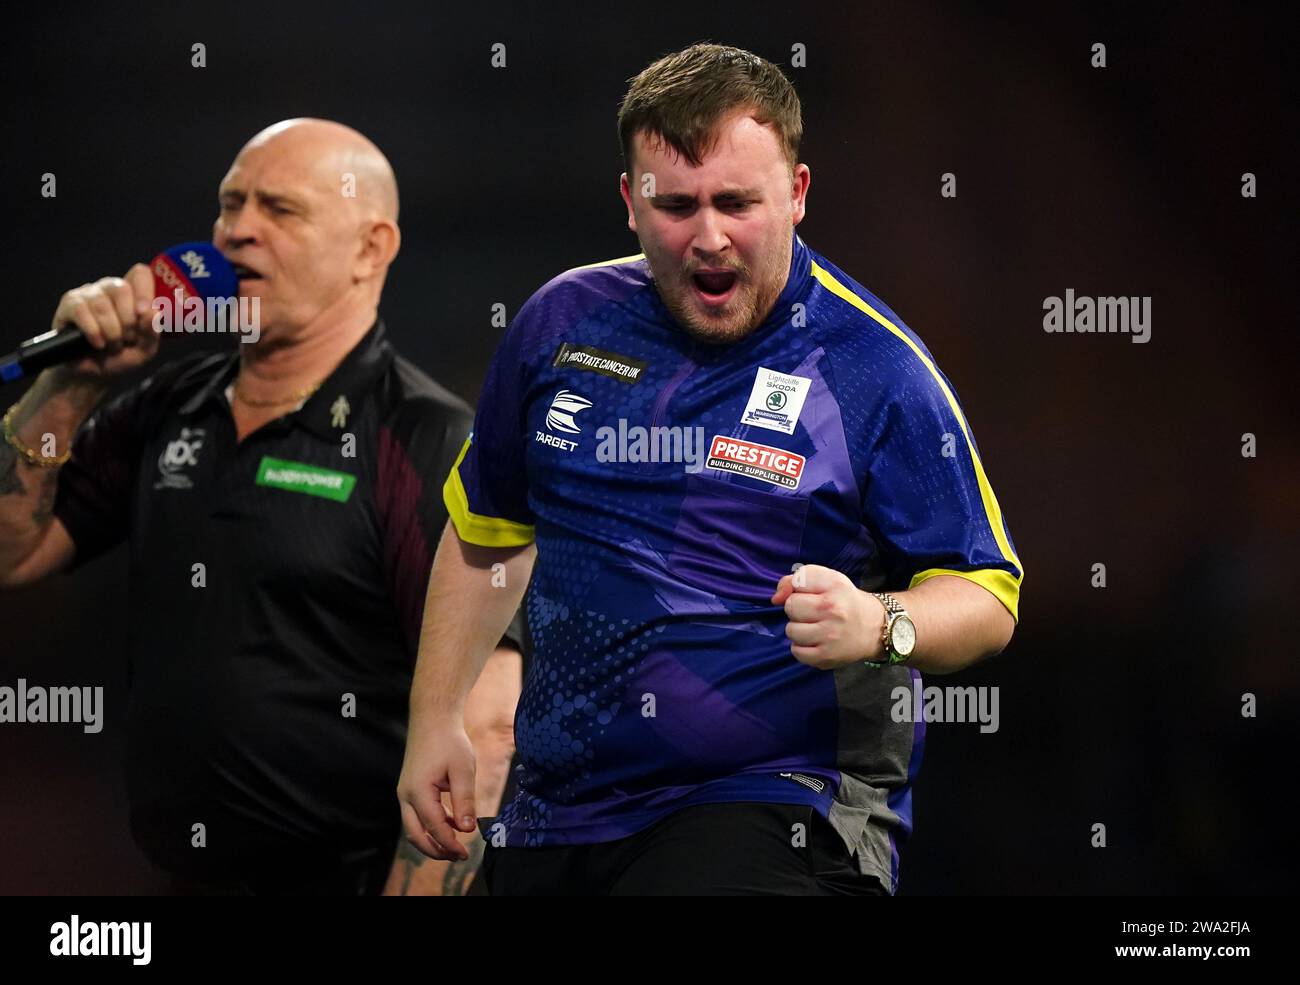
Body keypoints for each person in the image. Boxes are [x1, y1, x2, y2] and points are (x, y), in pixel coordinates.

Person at [398, 44, 1023, 895]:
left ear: (797, 195)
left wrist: (881, 622)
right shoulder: (558, 325)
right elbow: (487, 536)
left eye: (737, 202)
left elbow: (988, 594)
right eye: (677, 205)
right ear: (630, 201)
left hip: (777, 801)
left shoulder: (875, 368)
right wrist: (435, 719)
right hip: (556, 809)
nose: (709, 236)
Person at [0, 118, 521, 895]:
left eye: (280, 210)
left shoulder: (423, 435)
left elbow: (486, 715)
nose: (237, 230)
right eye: (229, 204)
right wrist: (75, 381)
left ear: (370, 248)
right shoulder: (168, 406)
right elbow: (13, 552)